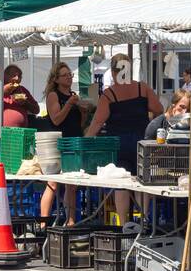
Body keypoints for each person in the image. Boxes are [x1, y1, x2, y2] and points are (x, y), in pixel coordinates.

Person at [85, 53, 164, 226]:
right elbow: (159, 109)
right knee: (142, 182)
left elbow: (97, 122)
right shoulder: (142, 88)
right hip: (142, 142)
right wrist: (150, 123)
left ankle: (123, 224)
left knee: (121, 184)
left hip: (119, 144)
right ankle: (143, 221)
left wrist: (86, 142)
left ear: (113, 72)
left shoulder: (109, 94)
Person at [39, 62, 86, 226]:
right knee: (53, 182)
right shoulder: (54, 95)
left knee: (71, 183)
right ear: (56, 79)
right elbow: (56, 119)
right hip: (59, 141)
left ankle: (70, 220)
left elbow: (79, 123)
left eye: (70, 75)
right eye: (65, 75)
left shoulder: (73, 95)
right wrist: (69, 104)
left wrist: (83, 111)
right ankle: (43, 222)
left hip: (74, 140)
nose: (69, 78)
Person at [0, 64, 39, 138]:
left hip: (20, 136)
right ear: (5, 76)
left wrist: (25, 103)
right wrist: (2, 92)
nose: (17, 78)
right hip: (0, 136)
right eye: (14, 75)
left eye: (20, 76)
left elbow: (36, 110)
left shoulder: (22, 90)